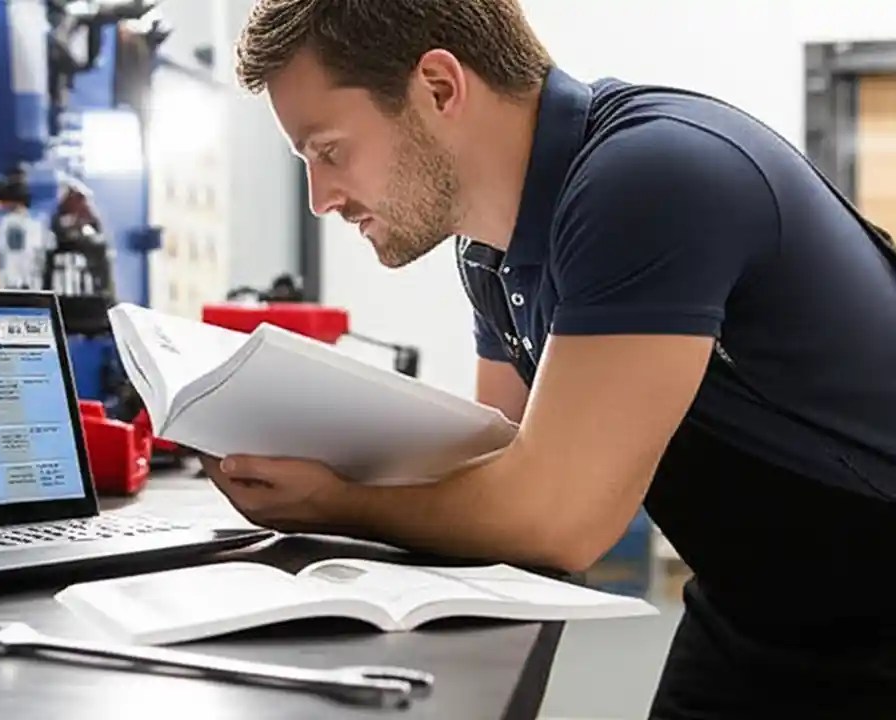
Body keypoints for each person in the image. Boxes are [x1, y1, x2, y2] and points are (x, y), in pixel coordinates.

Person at [197, 0, 896, 717]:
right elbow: (494, 455)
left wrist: (333, 502)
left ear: (439, 87)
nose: (321, 199)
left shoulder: (651, 177)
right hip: (757, 604)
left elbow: (559, 519)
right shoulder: (490, 253)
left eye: (328, 149)